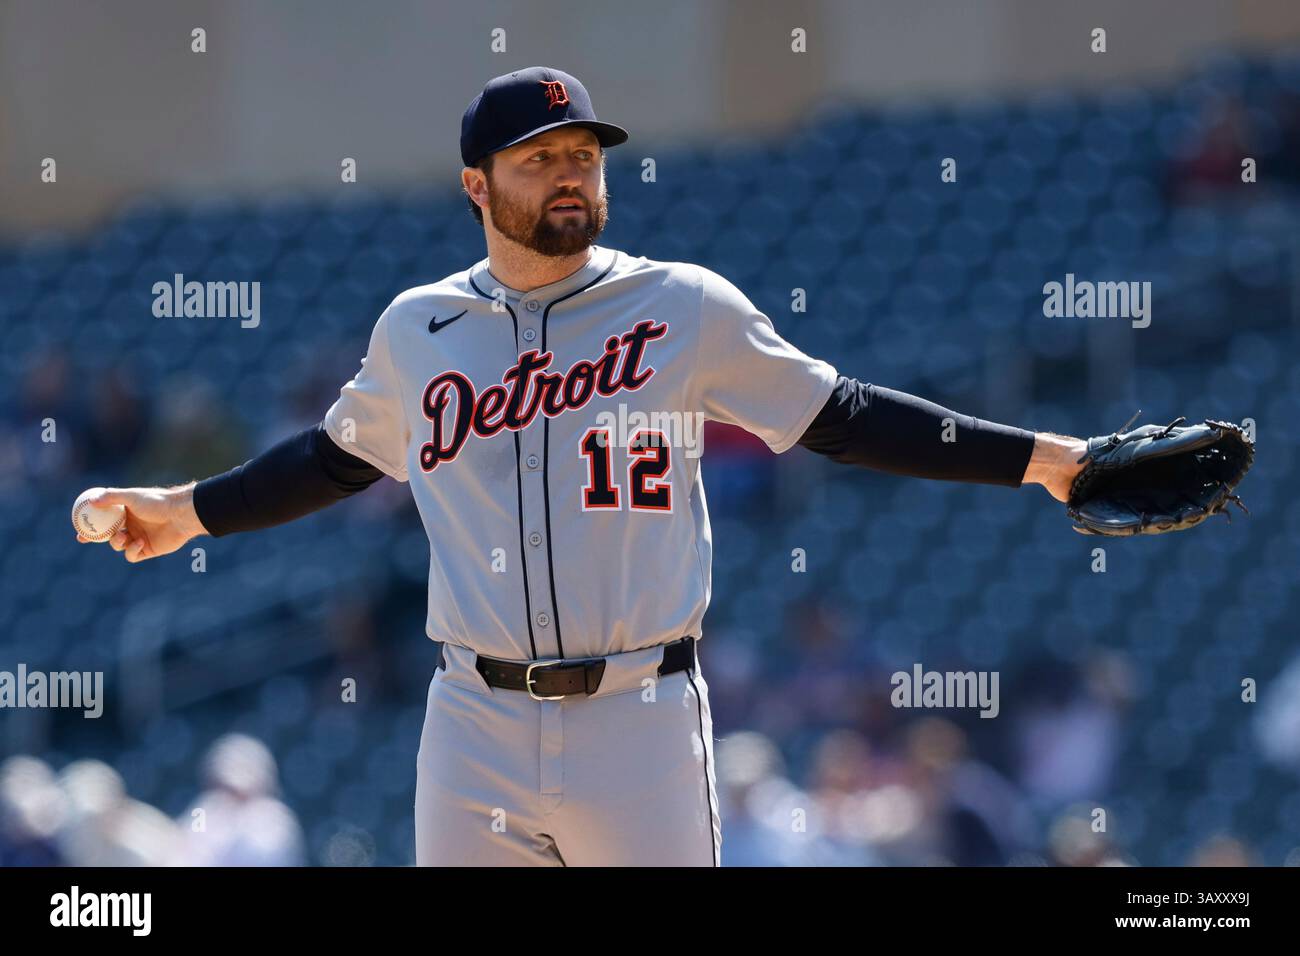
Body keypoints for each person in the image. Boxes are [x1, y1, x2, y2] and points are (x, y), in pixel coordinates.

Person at [76, 67, 1086, 866]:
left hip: (639, 715)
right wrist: (186, 511)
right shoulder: (418, 328)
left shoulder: (682, 306)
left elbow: (847, 415)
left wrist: (1049, 462)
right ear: (475, 186)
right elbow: (333, 460)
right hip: (472, 713)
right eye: (537, 158)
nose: (569, 173)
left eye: (582, 154)